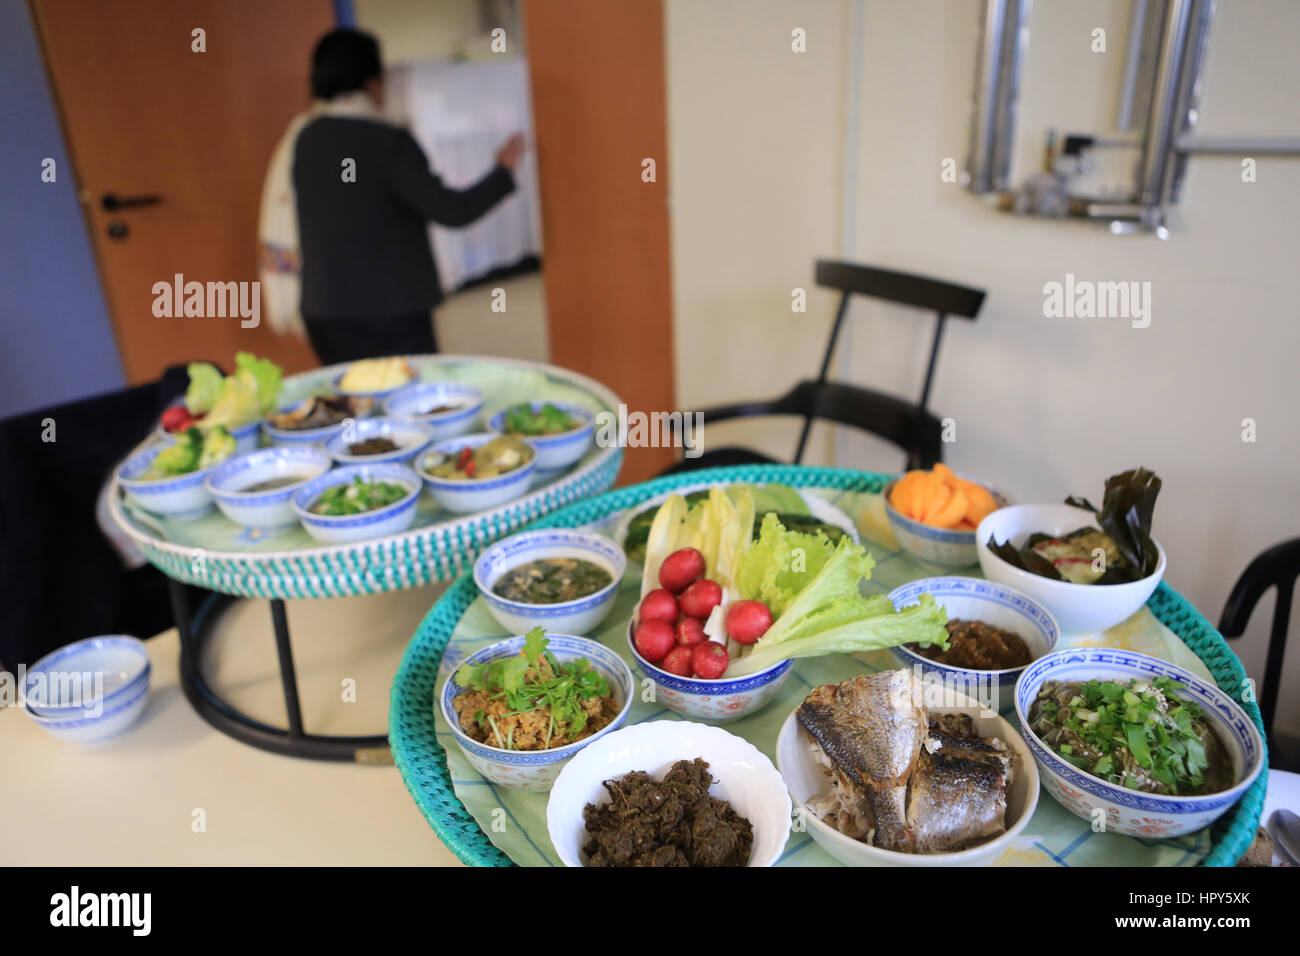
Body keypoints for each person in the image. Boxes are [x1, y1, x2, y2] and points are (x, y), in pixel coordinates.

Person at [274, 28, 524, 365]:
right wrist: (503, 171)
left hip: (325, 311)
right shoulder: (388, 142)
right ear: (373, 82)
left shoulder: (303, 139)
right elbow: (452, 210)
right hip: (391, 314)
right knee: (409, 406)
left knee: (353, 408)